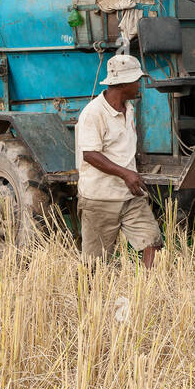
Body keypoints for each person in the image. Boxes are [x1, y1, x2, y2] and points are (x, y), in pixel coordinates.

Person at [74, 54, 164, 268]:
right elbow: (90, 154)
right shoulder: (93, 113)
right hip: (100, 199)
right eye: (137, 81)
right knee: (94, 264)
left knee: (152, 241)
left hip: (130, 195)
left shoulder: (129, 109)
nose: (140, 85)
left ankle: (146, 290)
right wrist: (126, 174)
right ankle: (88, 300)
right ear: (123, 84)